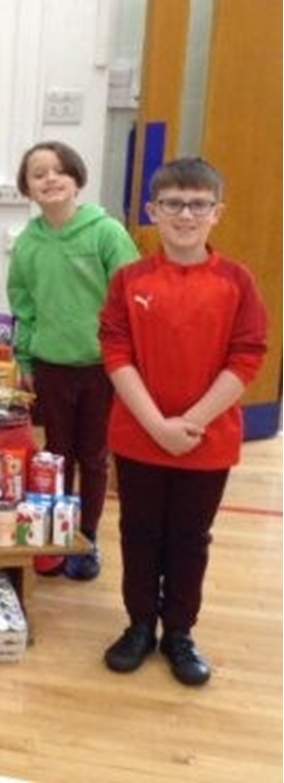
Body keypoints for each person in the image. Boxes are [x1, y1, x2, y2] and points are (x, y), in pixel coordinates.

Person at [99, 157, 267, 686]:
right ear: (152, 211)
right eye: (173, 204)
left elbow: (247, 357)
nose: (185, 214)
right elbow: (116, 351)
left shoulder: (237, 281)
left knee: (190, 538)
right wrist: (155, 425)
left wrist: (188, 424)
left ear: (217, 212)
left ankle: (179, 633)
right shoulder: (130, 280)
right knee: (139, 532)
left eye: (198, 205)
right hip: (138, 435)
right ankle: (140, 625)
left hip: (207, 439)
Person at [7, 141, 139, 580]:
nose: (50, 178)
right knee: (56, 455)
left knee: (94, 456)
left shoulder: (106, 232)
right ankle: (55, 538)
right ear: (27, 187)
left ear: (76, 177)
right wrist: (24, 357)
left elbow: (130, 297)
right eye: (38, 173)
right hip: (50, 364)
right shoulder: (27, 244)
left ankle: (86, 538)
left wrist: (130, 361)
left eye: (59, 170)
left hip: (103, 366)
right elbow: (22, 305)